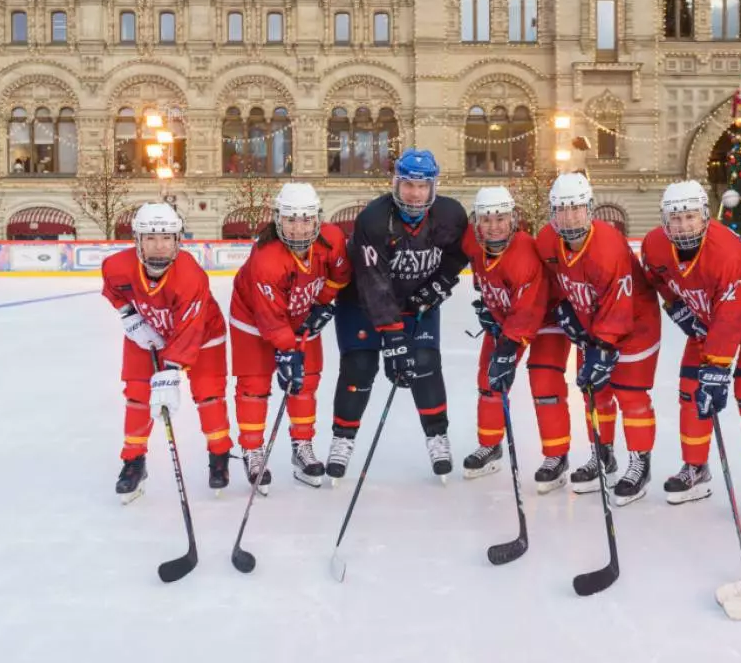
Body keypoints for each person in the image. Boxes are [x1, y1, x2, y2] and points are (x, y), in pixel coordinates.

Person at [641, 181, 741, 520]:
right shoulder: (654, 245)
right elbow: (659, 280)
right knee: (691, 390)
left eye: (691, 217)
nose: (683, 226)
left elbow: (733, 313)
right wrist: (679, 311)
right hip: (711, 319)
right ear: (664, 220)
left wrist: (717, 367)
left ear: (705, 217)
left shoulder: (725, 252)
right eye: (676, 218)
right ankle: (696, 469)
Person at [326, 148, 469, 480]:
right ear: (396, 184)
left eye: (422, 186)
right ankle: (342, 440)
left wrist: (441, 282)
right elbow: (375, 284)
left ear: (433, 187)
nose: (415, 194)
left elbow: (458, 254)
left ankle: (437, 435)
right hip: (362, 303)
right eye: (408, 185)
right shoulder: (375, 219)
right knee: (359, 367)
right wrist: (393, 338)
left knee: (424, 363)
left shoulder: (450, 215)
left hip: (416, 301)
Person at [536, 173, 660, 507]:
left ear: (589, 208)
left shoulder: (607, 246)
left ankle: (639, 463)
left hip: (635, 323)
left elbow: (620, 304)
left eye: (576, 208)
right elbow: (550, 279)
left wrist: (603, 348)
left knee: (630, 395)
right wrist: (564, 309)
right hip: (594, 323)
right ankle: (603, 455)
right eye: (562, 210)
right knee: (595, 391)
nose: (570, 216)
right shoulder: (548, 240)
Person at [100, 202, 232, 503]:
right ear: (138, 241)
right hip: (149, 334)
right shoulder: (117, 266)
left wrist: (170, 373)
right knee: (137, 394)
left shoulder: (190, 276)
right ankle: (133, 462)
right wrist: (130, 317)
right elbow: (114, 289)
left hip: (202, 336)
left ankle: (219, 454)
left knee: (209, 395)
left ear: (177, 241)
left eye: (166, 238)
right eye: (150, 238)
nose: (159, 247)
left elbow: (189, 331)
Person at [229, 182, 350, 492]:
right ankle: (253, 450)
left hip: (300, 315)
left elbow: (340, 277)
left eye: (306, 219)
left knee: (305, 381)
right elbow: (270, 318)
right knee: (255, 386)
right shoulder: (267, 258)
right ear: (277, 219)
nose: (299, 228)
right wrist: (286, 351)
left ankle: (302, 447)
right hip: (253, 322)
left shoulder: (332, 239)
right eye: (291, 219)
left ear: (317, 218)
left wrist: (321, 304)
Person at [461, 186, 574, 493]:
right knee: (489, 381)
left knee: (545, 384)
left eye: (501, 218)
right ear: (477, 221)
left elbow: (529, 310)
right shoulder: (472, 242)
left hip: (547, 318)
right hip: (506, 319)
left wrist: (508, 350)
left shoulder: (524, 253)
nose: (494, 225)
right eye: (487, 219)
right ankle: (490, 446)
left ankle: (556, 456)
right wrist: (487, 304)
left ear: (513, 219)